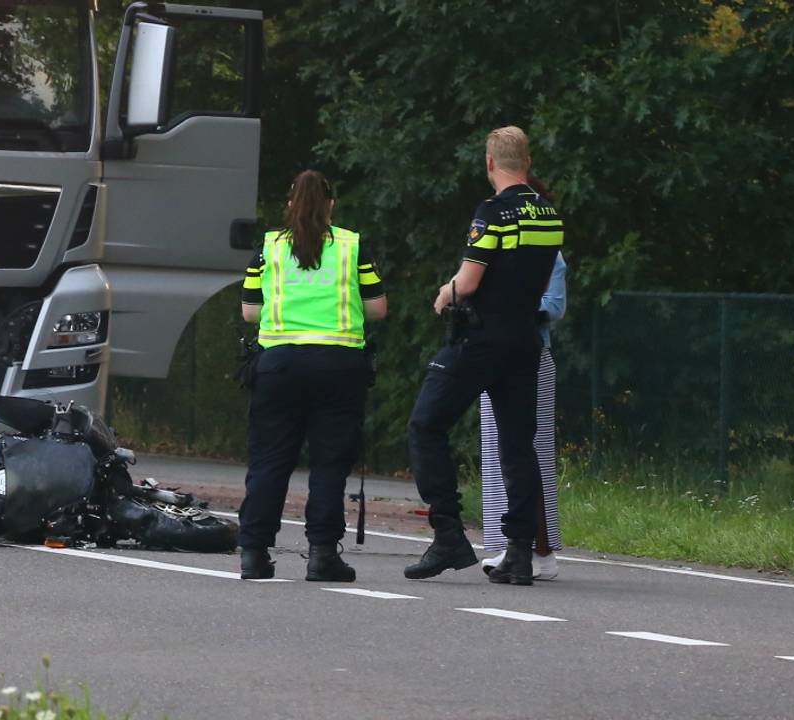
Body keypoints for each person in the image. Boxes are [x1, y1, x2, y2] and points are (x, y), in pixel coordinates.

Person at [404, 127, 564, 586]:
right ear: (527, 161)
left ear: (491, 163)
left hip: (482, 336)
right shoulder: (549, 214)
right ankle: (519, 552)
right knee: (518, 445)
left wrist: (444, 293)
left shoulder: (493, 212)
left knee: (425, 425)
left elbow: (470, 281)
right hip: (525, 340)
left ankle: (448, 533)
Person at [237, 170, 388, 582]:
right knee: (329, 461)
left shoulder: (269, 249)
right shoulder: (353, 247)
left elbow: (250, 312)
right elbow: (377, 308)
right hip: (338, 365)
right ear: (331, 206)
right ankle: (322, 553)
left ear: (290, 204)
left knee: (270, 459)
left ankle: (254, 552)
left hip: (279, 365)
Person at [479, 211, 567, 580]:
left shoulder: (551, 256)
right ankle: (507, 545)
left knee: (531, 453)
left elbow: (556, 305)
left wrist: (514, 308)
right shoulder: (488, 250)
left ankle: (542, 550)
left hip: (530, 356)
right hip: (492, 353)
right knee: (498, 453)